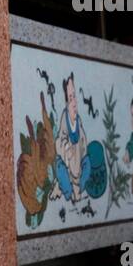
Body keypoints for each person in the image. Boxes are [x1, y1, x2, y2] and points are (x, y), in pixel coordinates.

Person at [52, 73, 90, 203]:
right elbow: (60, 140)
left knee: (87, 165)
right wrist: (66, 149)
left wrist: (82, 149)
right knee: (60, 168)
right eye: (70, 97)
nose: (74, 101)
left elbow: (84, 140)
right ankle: (69, 191)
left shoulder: (78, 120)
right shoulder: (65, 118)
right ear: (67, 101)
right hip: (68, 160)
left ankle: (78, 188)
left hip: (79, 159)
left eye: (74, 97)